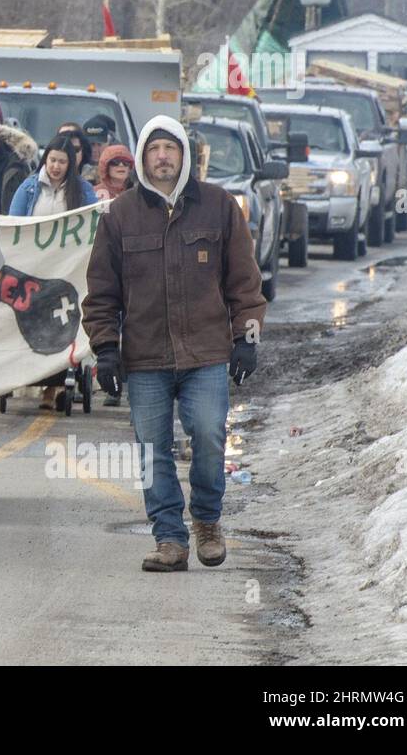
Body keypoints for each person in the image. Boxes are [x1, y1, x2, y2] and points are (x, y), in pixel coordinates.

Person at [82, 115, 266, 573]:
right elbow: (101, 290)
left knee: (208, 434)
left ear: (185, 155)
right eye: (154, 149)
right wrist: (106, 348)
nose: (162, 156)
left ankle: (206, 521)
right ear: (143, 157)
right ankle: (169, 537)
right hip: (144, 357)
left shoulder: (219, 206)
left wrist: (246, 337)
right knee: (152, 448)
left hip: (205, 352)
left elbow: (244, 282)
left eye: (171, 148)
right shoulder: (120, 216)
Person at [9, 134, 98, 216]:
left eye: (62, 162)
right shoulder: (28, 187)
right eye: (53, 160)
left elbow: (93, 219)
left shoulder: (84, 189)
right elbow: (14, 221)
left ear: (70, 164)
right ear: (45, 159)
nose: (56, 166)